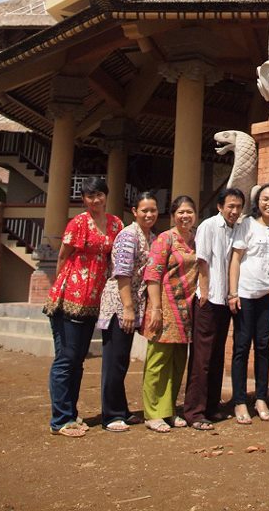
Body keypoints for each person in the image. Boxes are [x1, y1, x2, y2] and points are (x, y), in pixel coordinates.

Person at [44, 176, 124, 437]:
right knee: (67, 359)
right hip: (71, 297)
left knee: (78, 360)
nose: (96, 200)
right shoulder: (78, 223)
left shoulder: (115, 224)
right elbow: (63, 255)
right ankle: (61, 420)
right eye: (91, 196)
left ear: (106, 196)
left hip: (95, 301)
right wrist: (59, 287)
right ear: (84, 199)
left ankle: (70, 413)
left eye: (100, 194)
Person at [183, 187, 245, 431]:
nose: (234, 210)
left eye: (238, 206)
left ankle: (210, 406)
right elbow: (203, 260)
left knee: (217, 353)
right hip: (208, 299)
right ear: (220, 206)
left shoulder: (236, 229)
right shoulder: (210, 226)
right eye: (230, 206)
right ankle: (194, 411)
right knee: (202, 357)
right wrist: (205, 292)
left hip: (225, 300)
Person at [98, 191, 159, 431]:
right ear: (134, 211)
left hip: (134, 303)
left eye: (153, 210)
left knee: (122, 359)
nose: (149, 214)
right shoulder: (128, 235)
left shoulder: (150, 237)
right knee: (114, 360)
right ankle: (111, 415)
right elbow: (122, 273)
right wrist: (128, 308)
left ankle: (121, 409)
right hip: (120, 304)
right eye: (144, 210)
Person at [228, 183, 269, 424]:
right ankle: (240, 401)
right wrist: (233, 292)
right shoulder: (247, 224)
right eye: (265, 199)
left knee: (263, 346)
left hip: (267, 293)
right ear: (258, 201)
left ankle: (261, 398)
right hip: (245, 293)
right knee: (241, 346)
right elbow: (235, 259)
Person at [141, 195, 198, 433]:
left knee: (177, 362)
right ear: (174, 215)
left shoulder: (196, 240)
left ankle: (169, 409)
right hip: (164, 305)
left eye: (189, 212)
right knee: (158, 360)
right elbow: (152, 274)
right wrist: (155, 308)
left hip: (187, 308)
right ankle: (152, 412)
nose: (185, 216)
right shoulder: (165, 239)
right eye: (181, 212)